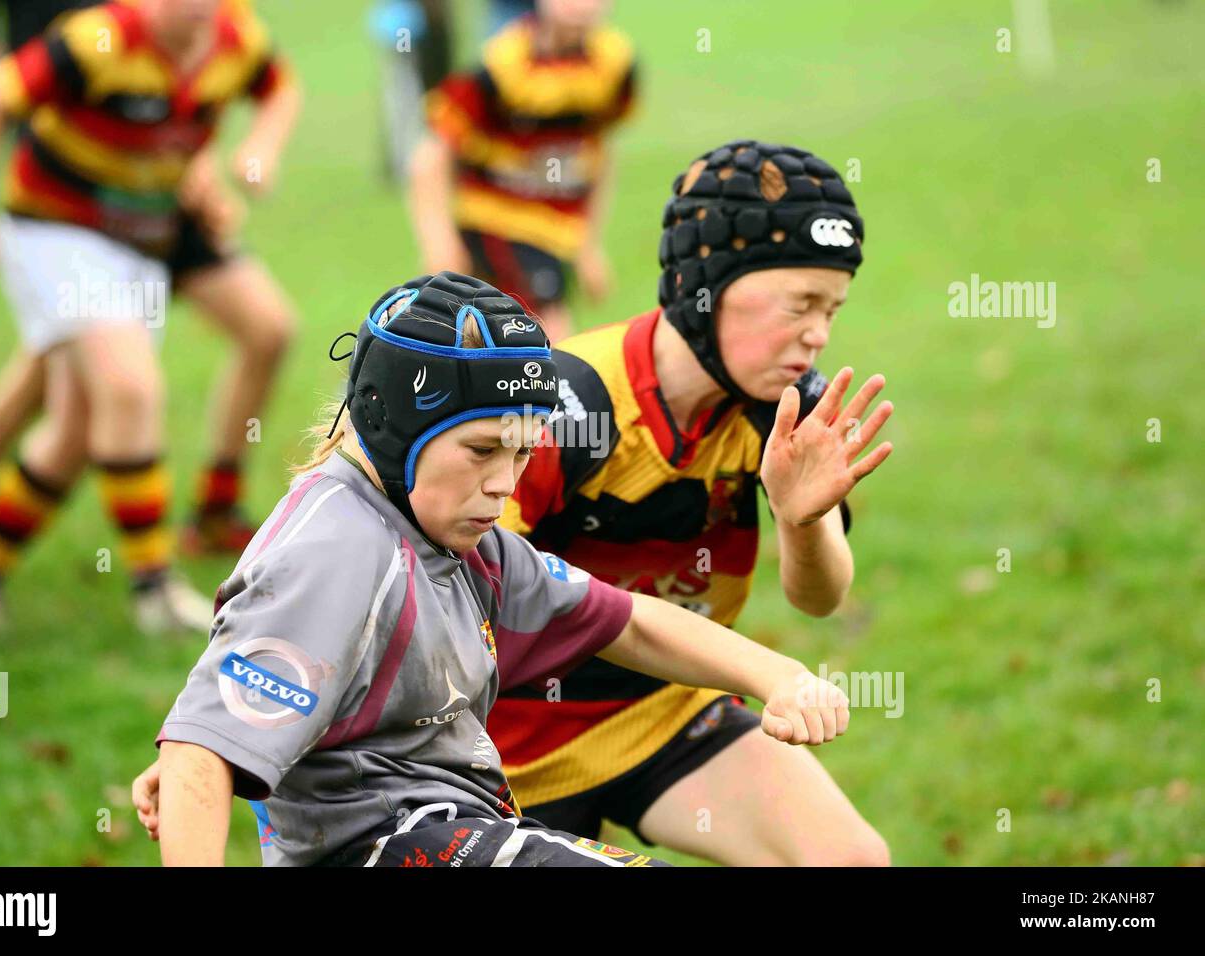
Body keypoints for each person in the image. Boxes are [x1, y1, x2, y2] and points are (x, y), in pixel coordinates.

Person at [142, 272, 853, 867]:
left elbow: (625, 623)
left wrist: (776, 676)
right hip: (381, 846)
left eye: (520, 453)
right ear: (391, 429)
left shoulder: (457, 539)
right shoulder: (336, 550)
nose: (504, 483)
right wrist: (205, 759)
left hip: (454, 825)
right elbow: (198, 751)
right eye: (482, 450)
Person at [483, 141, 894, 866]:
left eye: (832, 307)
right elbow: (468, 598)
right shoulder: (568, 403)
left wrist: (800, 521)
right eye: (799, 303)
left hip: (658, 708)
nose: (818, 334)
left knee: (850, 860)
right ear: (705, 284)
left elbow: (821, 599)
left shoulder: (785, 408)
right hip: (498, 746)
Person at [0, 0, 298, 614]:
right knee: (127, 388)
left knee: (74, 421)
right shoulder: (99, 39)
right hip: (61, 228)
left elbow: (273, 89)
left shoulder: (234, 38)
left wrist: (247, 156)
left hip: (152, 226)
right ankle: (155, 589)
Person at [407, 0, 635, 342]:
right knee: (547, 335)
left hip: (556, 234)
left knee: (466, 334)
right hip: (497, 221)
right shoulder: (505, 64)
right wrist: (440, 244)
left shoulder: (614, 63)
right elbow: (429, 159)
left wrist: (589, 246)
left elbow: (597, 151)